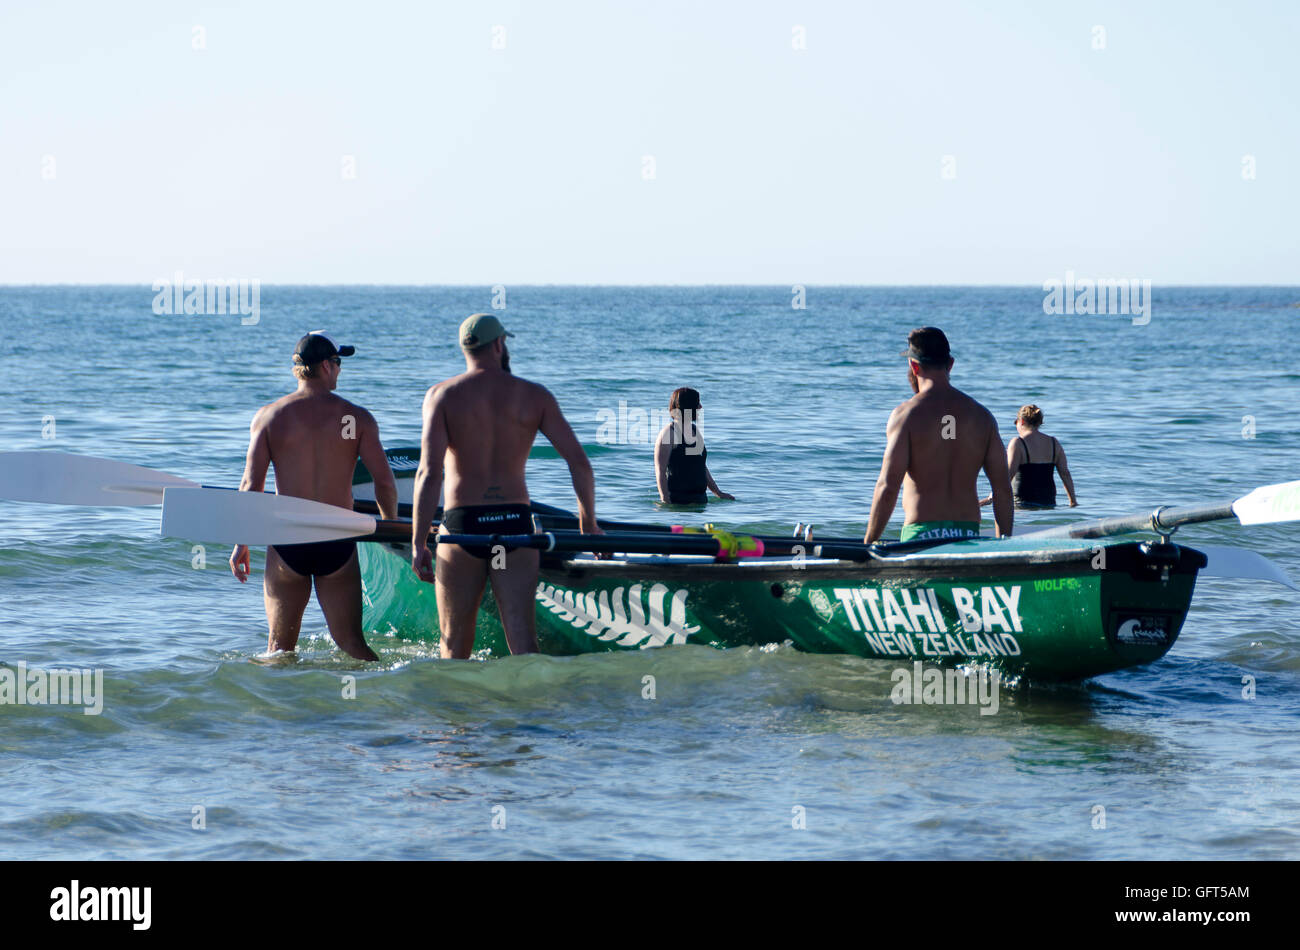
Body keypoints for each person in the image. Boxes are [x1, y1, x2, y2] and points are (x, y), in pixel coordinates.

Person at [411, 314, 603, 659]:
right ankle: (525, 712)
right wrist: (588, 524)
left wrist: (418, 541)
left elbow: (428, 474)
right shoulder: (534, 396)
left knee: (453, 646)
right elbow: (579, 463)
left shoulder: (441, 396)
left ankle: (456, 713)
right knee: (524, 645)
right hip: (515, 527)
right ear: (499, 344)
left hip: (462, 529)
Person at [230, 332, 399, 660]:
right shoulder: (354, 418)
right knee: (353, 645)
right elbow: (385, 483)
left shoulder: (270, 417)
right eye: (338, 363)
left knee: (278, 651)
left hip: (288, 541)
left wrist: (242, 541)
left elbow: (252, 485)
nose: (340, 370)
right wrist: (390, 528)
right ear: (325, 366)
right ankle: (378, 703)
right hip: (335, 540)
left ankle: (283, 709)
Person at [864, 327, 1013, 544]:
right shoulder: (983, 417)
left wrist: (868, 546)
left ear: (914, 366)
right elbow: (1003, 491)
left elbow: (888, 487)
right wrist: (1003, 548)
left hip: (922, 538)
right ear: (950, 364)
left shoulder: (906, 416)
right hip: (968, 536)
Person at [985, 405, 1078, 509]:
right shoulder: (1054, 443)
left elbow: (1008, 474)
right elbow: (1065, 474)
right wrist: (1073, 501)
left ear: (1022, 421)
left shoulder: (1017, 443)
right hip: (1048, 502)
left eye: (1016, 422)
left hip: (1022, 505)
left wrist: (992, 496)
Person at [653, 387, 734, 505]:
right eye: (697, 403)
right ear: (687, 406)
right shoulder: (668, 433)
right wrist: (666, 501)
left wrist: (718, 493)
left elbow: (701, 466)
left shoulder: (695, 431)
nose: (700, 407)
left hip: (700, 501)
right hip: (678, 503)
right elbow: (660, 470)